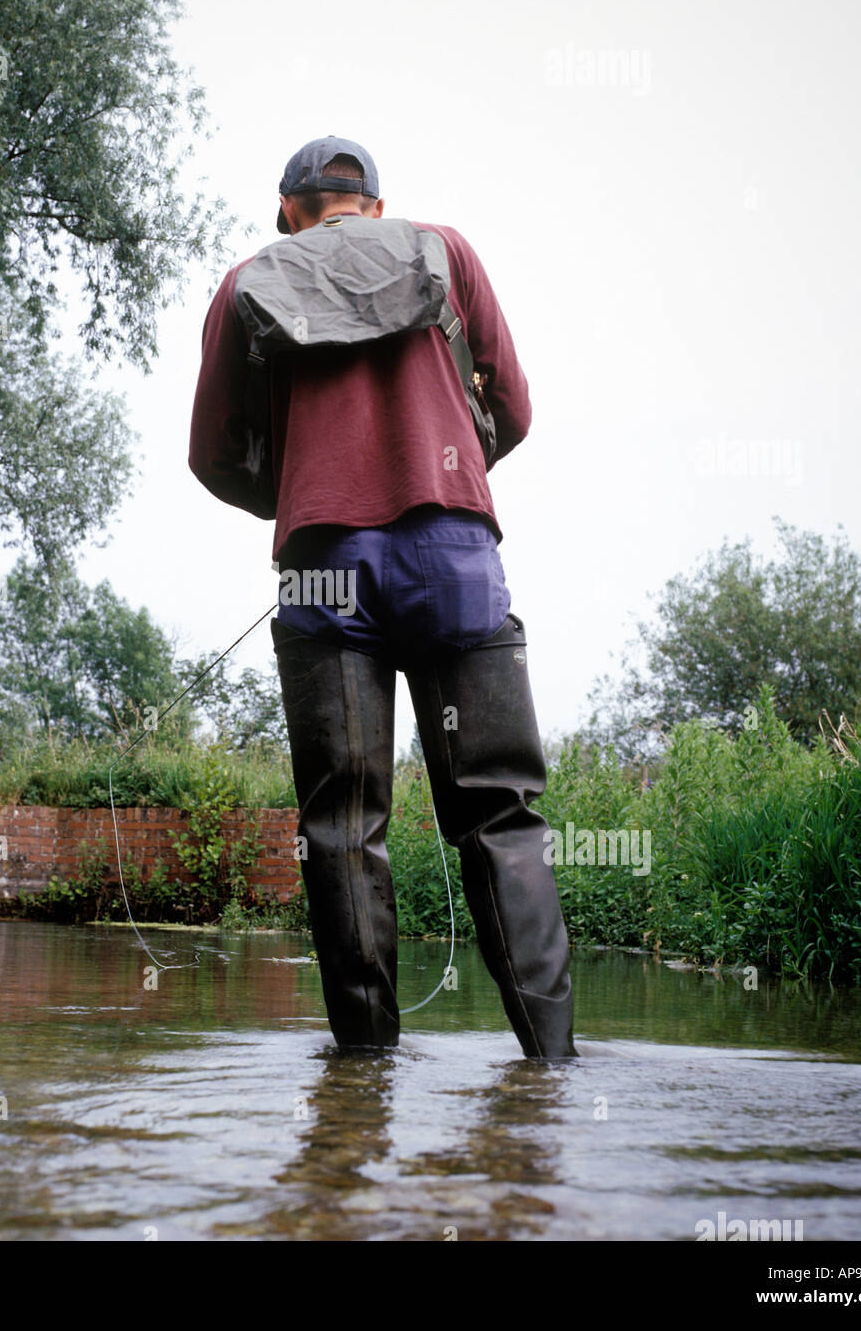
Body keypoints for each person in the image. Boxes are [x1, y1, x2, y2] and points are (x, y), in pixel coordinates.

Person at [189, 135, 577, 1058]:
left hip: (325, 565)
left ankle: (361, 1076)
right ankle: (552, 1068)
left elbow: (211, 453)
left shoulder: (249, 281)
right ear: (375, 202)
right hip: (455, 559)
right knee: (501, 815)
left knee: (345, 823)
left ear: (290, 208)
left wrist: (302, 496)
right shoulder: (445, 251)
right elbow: (514, 409)